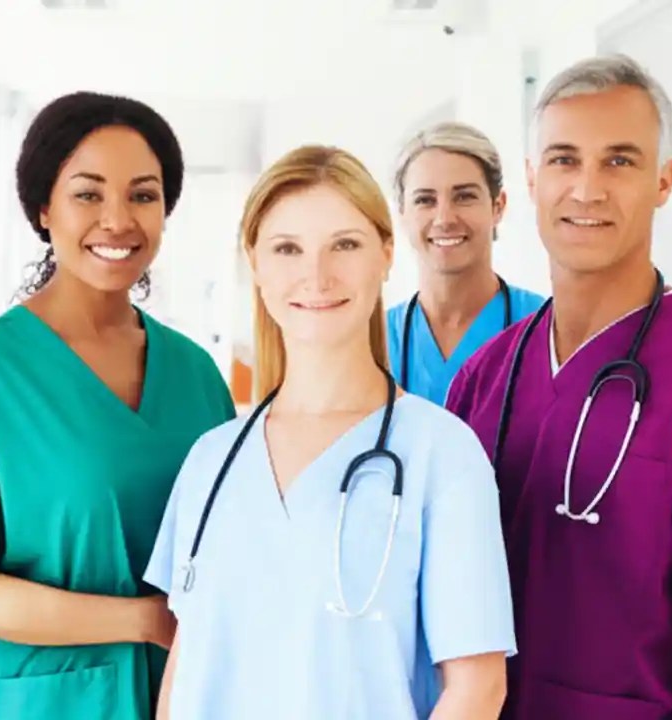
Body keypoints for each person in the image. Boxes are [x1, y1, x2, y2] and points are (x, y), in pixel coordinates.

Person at [444, 54, 672, 718]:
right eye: (564, 160)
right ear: (531, 179)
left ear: (664, 180)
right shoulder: (485, 376)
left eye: (619, 161)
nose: (587, 189)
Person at [0, 91, 236, 719]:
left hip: (189, 696)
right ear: (44, 208)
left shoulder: (196, 374)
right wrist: (141, 620)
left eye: (143, 195)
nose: (117, 220)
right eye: (88, 194)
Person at [145, 145, 515, 720]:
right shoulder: (212, 460)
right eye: (287, 248)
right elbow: (186, 663)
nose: (316, 276)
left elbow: (477, 688)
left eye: (344, 244)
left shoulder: (441, 454)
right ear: (255, 264)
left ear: (385, 254)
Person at [386, 122, 544, 405]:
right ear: (402, 213)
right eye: (425, 200)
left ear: (498, 206)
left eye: (464, 197)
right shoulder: (374, 342)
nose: (445, 219)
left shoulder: (546, 328)